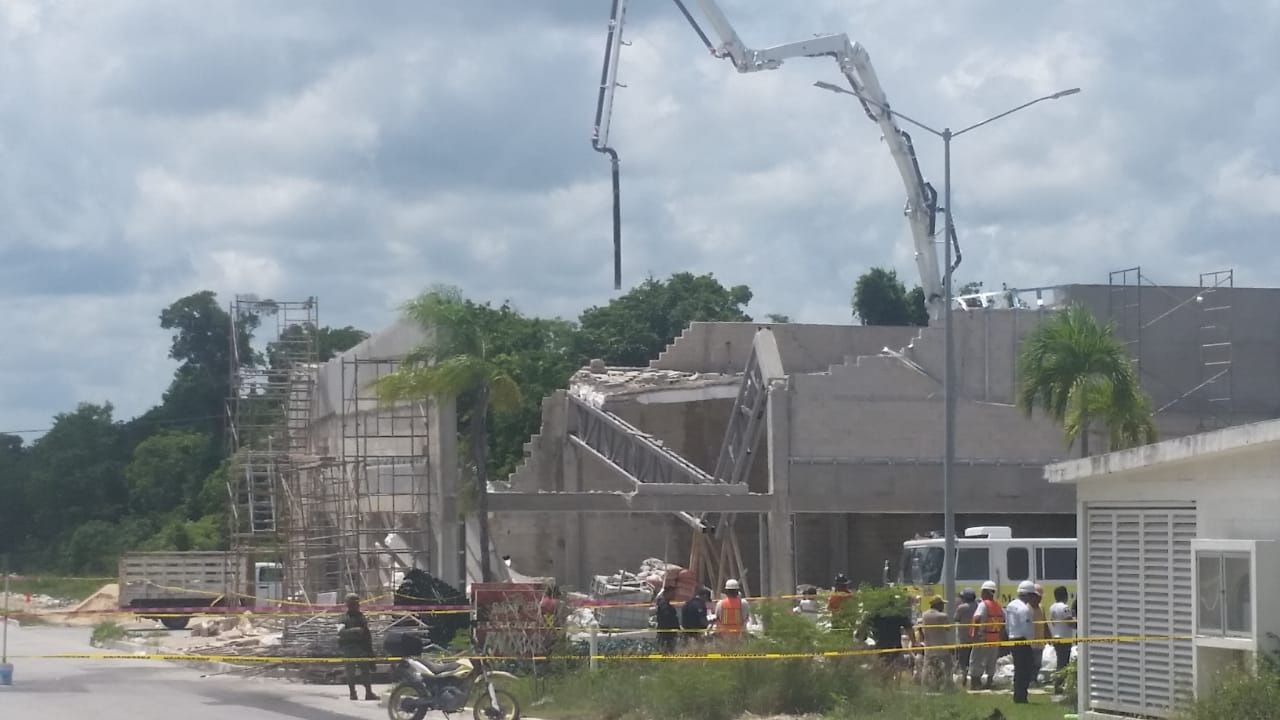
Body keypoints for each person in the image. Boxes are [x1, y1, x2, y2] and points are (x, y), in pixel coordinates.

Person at [337, 593, 379, 701]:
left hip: (361, 648)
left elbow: (366, 633)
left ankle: (368, 693)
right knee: (350, 672)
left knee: (365, 671)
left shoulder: (361, 617)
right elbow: (340, 632)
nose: (355, 606)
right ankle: (352, 693)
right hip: (349, 649)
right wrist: (354, 631)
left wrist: (370, 652)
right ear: (348, 605)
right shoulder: (343, 618)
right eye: (353, 604)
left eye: (356, 604)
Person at [1005, 580, 1037, 705]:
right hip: (1023, 640)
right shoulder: (1025, 609)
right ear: (1028, 594)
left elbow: (1007, 625)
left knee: (1019, 669)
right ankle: (1021, 696)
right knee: (1025, 669)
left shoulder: (1011, 605)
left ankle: (1018, 695)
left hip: (1013, 638)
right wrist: (1031, 640)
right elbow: (1027, 628)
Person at [968, 580, 1004, 690]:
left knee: (976, 660)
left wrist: (974, 634)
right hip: (994, 638)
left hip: (983, 637)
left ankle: (976, 683)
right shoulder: (998, 606)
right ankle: (989, 682)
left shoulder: (983, 605)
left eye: (982, 592)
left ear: (986, 592)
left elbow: (978, 618)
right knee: (991, 660)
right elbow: (1002, 622)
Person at [917, 595, 952, 691]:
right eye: (942, 604)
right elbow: (948, 628)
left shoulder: (924, 615)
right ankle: (947, 686)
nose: (943, 606)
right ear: (938, 605)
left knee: (928, 667)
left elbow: (921, 630)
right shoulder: (942, 616)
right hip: (942, 648)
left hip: (929, 647)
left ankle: (926, 686)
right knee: (947, 667)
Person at [1048, 586, 1075, 694]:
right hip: (1064, 638)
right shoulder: (1064, 608)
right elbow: (1070, 623)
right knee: (1063, 664)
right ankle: (1058, 685)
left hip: (1056, 636)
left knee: (1060, 662)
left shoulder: (1052, 607)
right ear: (1065, 595)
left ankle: (1058, 684)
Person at [713, 579, 749, 643]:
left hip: (724, 637)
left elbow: (717, 618)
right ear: (737, 591)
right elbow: (746, 618)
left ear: (726, 591)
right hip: (740, 637)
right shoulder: (743, 603)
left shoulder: (720, 604)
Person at [953, 588, 978, 678]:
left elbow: (956, 618)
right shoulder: (978, 606)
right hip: (975, 636)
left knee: (963, 658)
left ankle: (964, 676)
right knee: (973, 658)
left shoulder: (962, 607)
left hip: (964, 637)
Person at [1028, 583, 1048, 686]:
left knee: (1038, 664)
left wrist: (1049, 636)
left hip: (1040, 642)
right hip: (1030, 642)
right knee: (1030, 663)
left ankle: (1034, 679)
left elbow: (1045, 623)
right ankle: (1030, 680)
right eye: (1038, 597)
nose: (1039, 599)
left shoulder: (1041, 608)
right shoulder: (1027, 609)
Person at [654, 586, 681, 654]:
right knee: (666, 651)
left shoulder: (665, 604)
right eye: (672, 593)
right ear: (667, 593)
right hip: (666, 633)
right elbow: (667, 617)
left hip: (668, 633)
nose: (674, 595)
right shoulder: (664, 604)